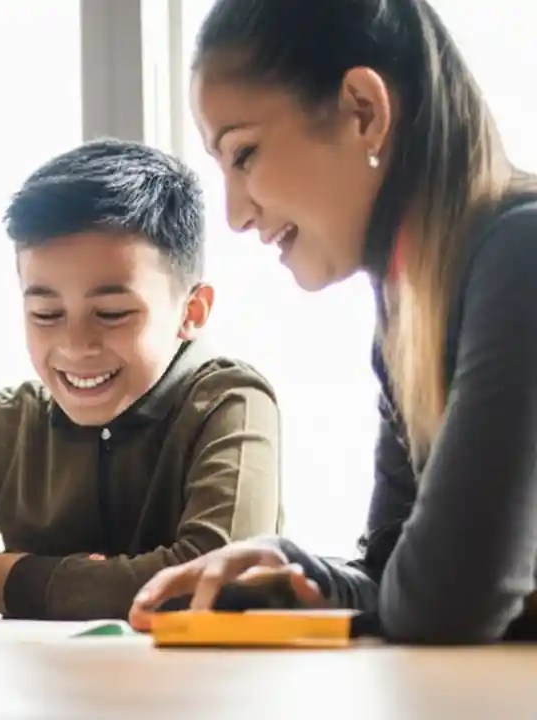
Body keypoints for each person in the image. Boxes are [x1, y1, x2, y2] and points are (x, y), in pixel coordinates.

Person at [129, 0, 537, 643]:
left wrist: (391, 586)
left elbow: (447, 600)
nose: (236, 214)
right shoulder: (409, 311)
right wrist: (297, 569)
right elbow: (395, 574)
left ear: (363, 111)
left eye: (244, 154)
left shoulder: (521, 255)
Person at [0, 139, 283, 622]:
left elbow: (213, 581)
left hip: (192, 694)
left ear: (191, 311)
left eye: (111, 314)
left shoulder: (229, 401)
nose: (75, 346)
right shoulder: (15, 418)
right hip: (42, 694)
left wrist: (3, 576)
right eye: (46, 313)